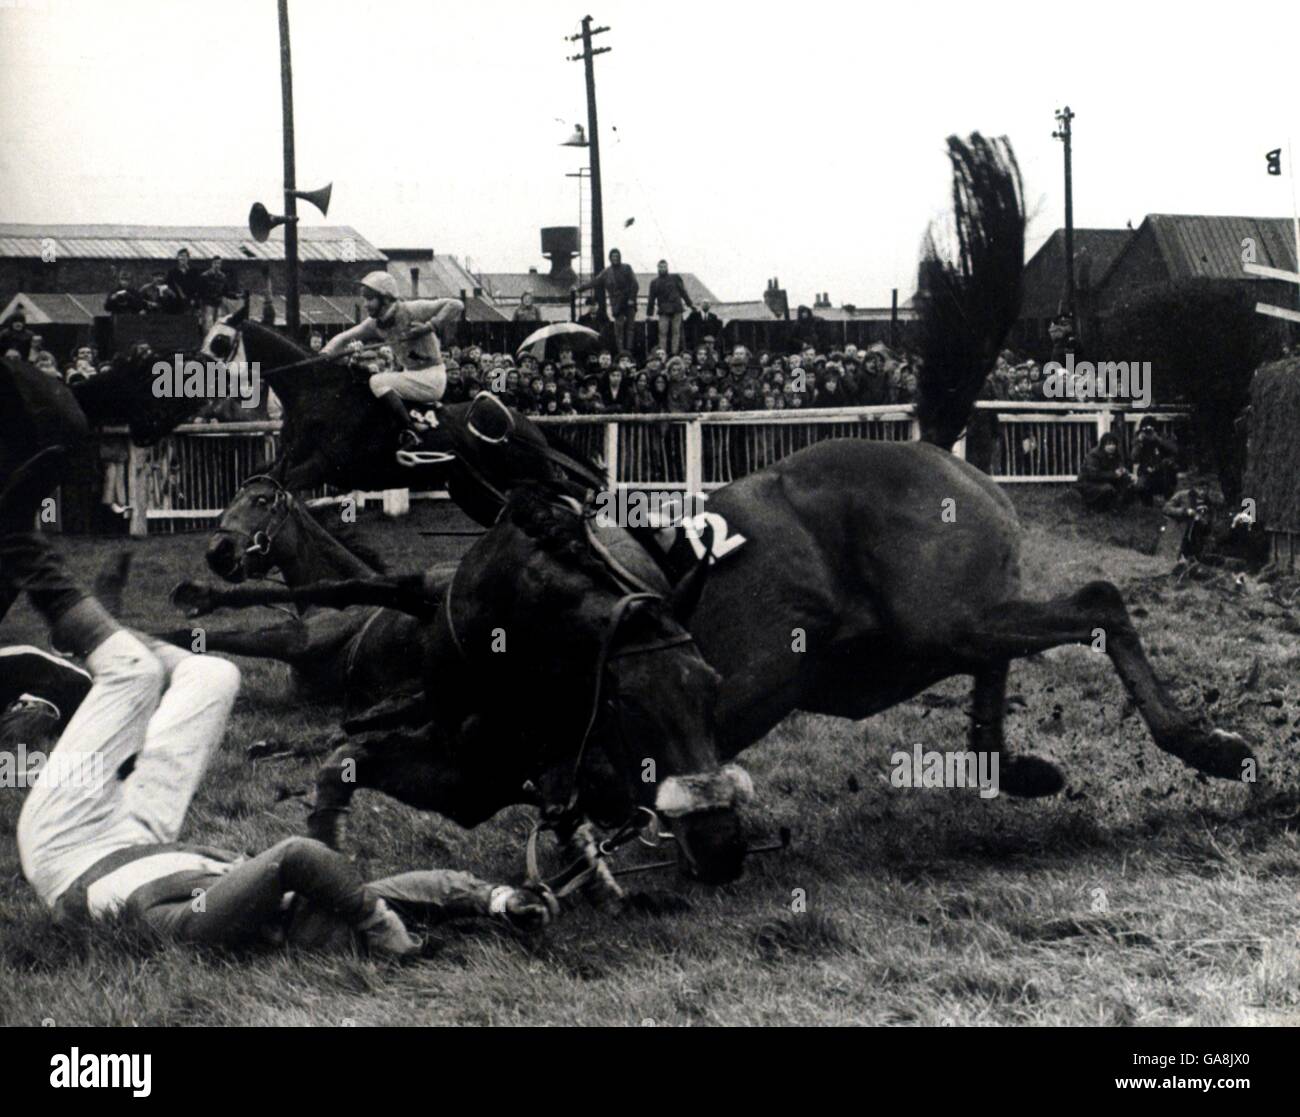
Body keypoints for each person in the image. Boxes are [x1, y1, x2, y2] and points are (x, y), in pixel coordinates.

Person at [0, 518, 556, 953]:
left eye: (344, 925)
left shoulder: (207, 930)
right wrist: (497, 900)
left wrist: (375, 924)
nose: (348, 911)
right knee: (216, 675)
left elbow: (295, 855)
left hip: (68, 849)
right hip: (147, 833)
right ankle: (113, 638)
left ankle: (24, 546)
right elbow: (421, 887)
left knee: (135, 676)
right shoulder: (304, 906)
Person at [321, 272, 463, 452]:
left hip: (432, 377)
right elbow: (343, 337)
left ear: (386, 298)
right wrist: (323, 354)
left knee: (377, 381)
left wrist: (430, 326)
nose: (366, 305)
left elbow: (456, 304)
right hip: (410, 375)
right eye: (364, 299)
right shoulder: (373, 324)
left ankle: (411, 432)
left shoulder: (412, 310)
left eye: (370, 299)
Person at [575, 248, 638, 356]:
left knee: (630, 328)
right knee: (619, 330)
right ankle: (621, 353)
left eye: (617, 256)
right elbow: (594, 282)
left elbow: (635, 284)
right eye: (613, 256)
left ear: (620, 257)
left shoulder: (627, 268)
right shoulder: (607, 272)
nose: (615, 258)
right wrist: (579, 289)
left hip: (628, 303)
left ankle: (629, 352)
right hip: (617, 305)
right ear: (610, 258)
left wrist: (631, 299)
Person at [646, 259, 694, 357]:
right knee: (662, 332)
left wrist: (690, 304)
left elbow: (683, 292)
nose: (662, 269)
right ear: (658, 268)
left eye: (664, 266)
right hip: (663, 310)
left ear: (667, 267)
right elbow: (651, 298)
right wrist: (649, 314)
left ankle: (674, 353)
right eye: (660, 267)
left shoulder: (675, 278)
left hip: (676, 309)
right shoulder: (654, 282)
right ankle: (662, 354)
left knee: (676, 332)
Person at [1076, 431, 1134, 510]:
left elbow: (1120, 466)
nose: (1112, 446)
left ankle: (1119, 505)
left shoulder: (1116, 454)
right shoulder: (1094, 455)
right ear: (1103, 445)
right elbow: (1093, 474)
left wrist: (1123, 471)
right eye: (1109, 444)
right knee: (1107, 488)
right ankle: (1094, 507)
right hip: (1088, 483)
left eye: (1114, 444)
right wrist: (1114, 474)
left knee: (1127, 481)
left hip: (1106, 480)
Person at [1132, 416, 1179, 505]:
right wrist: (1139, 442)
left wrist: (1158, 439)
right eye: (1145, 429)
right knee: (1141, 486)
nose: (1148, 432)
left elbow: (1174, 450)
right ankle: (1147, 503)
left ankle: (1169, 500)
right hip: (1146, 471)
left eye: (1150, 429)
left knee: (1168, 475)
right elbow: (1134, 457)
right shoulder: (1139, 437)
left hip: (1162, 471)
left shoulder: (1161, 435)